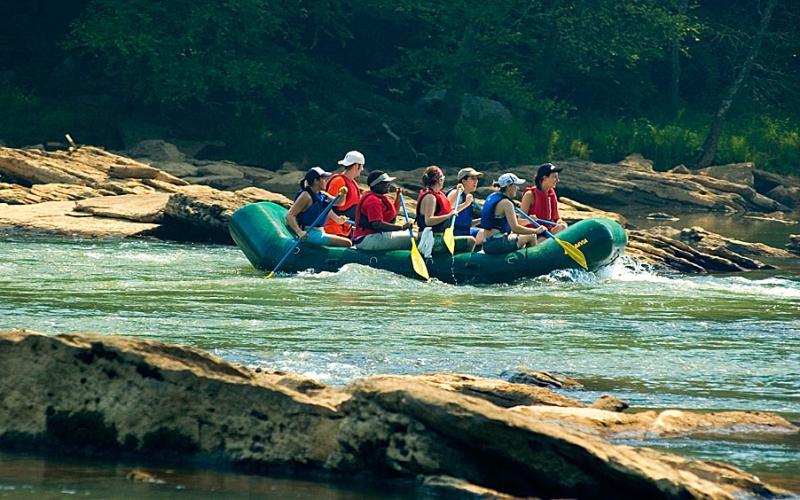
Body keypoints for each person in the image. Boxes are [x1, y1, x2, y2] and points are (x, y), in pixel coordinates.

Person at [285, 167, 353, 248]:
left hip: (320, 231)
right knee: (347, 243)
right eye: (323, 179)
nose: (326, 181)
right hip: (309, 233)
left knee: (347, 241)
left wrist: (343, 194)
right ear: (316, 181)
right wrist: (299, 232)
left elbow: (339, 203)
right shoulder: (306, 196)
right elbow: (289, 215)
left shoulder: (322, 194)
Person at [479, 173, 545, 254]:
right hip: (497, 244)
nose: (517, 188)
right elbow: (515, 228)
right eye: (515, 185)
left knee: (519, 236)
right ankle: (534, 261)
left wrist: (529, 221)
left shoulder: (492, 196)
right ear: (509, 186)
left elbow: (511, 222)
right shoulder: (507, 203)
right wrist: (536, 231)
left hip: (486, 243)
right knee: (531, 236)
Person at [417, 166, 475, 253]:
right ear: (439, 180)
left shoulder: (438, 194)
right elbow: (428, 221)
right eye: (443, 178)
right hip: (428, 238)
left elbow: (449, 210)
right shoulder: (430, 197)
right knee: (471, 241)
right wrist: (448, 216)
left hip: (437, 235)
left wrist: (466, 204)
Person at [352, 170, 413, 251]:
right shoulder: (373, 201)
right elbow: (377, 225)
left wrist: (398, 198)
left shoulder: (379, 197)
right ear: (377, 185)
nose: (389, 185)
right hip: (367, 239)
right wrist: (401, 227)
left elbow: (393, 215)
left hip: (374, 235)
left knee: (412, 236)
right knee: (414, 238)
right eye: (386, 183)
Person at [520, 162, 568, 235]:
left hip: (548, 232)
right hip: (534, 234)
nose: (558, 180)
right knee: (542, 239)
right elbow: (519, 221)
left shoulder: (551, 194)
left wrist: (559, 221)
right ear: (544, 178)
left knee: (563, 226)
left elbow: (556, 218)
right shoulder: (530, 195)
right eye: (554, 177)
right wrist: (529, 220)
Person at [325, 150, 365, 237]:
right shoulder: (338, 181)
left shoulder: (353, 183)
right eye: (361, 166)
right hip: (333, 229)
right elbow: (325, 204)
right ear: (356, 166)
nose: (362, 169)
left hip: (345, 230)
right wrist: (336, 219)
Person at [446, 167, 483, 238]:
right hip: (453, 234)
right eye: (472, 178)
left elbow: (466, 224)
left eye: (476, 178)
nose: (476, 181)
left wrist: (481, 220)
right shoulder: (456, 193)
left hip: (465, 232)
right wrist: (466, 204)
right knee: (482, 235)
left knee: (486, 233)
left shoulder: (467, 196)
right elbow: (447, 213)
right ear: (464, 181)